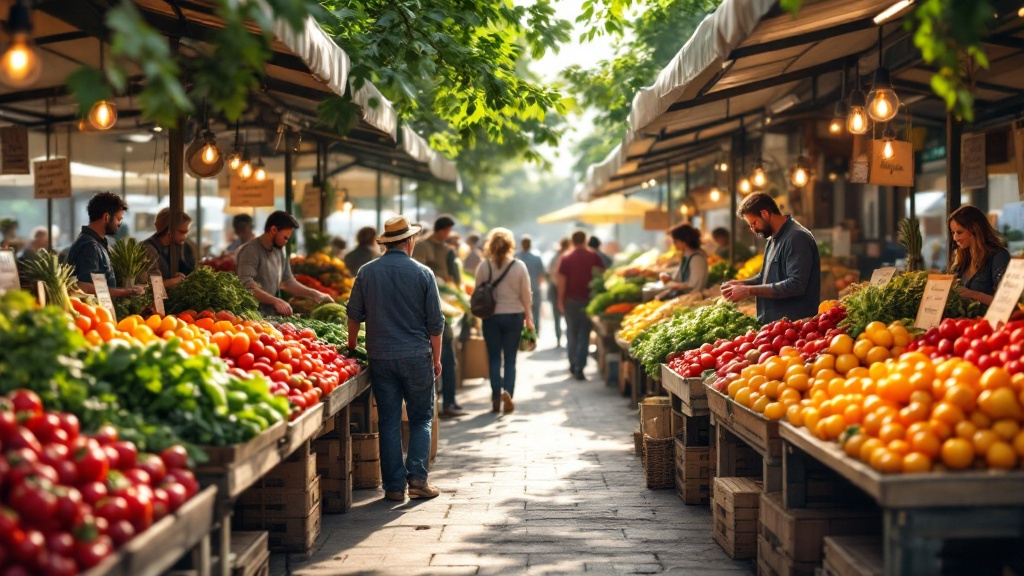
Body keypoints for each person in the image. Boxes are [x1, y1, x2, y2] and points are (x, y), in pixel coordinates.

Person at [346, 216, 444, 501]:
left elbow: (353, 315)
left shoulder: (366, 272)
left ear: (387, 244)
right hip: (416, 356)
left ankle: (392, 487)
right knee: (421, 418)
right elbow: (435, 324)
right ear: (410, 241)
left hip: (381, 357)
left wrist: (353, 347)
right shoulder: (423, 273)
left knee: (388, 421)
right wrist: (436, 359)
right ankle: (417, 480)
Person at [721, 193, 820, 323]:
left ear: (765, 214)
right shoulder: (772, 239)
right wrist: (742, 284)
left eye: (754, 223)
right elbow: (765, 277)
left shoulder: (797, 238)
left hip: (794, 327)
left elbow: (796, 284)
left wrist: (748, 291)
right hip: (774, 326)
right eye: (750, 226)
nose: (753, 229)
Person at [476, 228, 534, 414]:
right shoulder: (519, 267)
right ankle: (508, 392)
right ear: (510, 245)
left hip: (491, 317)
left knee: (494, 358)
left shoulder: (484, 266)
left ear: (490, 245)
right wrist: (530, 319)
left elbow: (478, 293)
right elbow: (526, 296)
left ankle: (495, 396)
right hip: (514, 316)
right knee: (510, 359)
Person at [236, 210, 334, 316]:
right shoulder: (250, 251)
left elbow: (288, 282)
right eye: (285, 237)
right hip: (250, 316)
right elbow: (246, 285)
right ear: (274, 230)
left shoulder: (279, 251)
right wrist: (275, 301)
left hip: (269, 316)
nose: (286, 242)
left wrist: (315, 294)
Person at [412, 215, 463, 417]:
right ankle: (437, 404)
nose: (449, 235)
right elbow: (421, 276)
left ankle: (449, 401)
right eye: (447, 230)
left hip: (444, 305)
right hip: (427, 308)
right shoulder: (423, 247)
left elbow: (451, 276)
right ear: (441, 230)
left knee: (448, 357)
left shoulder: (447, 250)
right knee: (438, 356)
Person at [67, 192, 143, 297]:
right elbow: (86, 288)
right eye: (118, 219)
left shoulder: (97, 243)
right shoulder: (89, 246)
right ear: (106, 217)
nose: (119, 224)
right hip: (93, 312)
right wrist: (128, 292)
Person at [558, 230, 607, 380]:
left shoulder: (566, 258)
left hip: (570, 302)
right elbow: (602, 277)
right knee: (584, 336)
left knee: (572, 335)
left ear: (572, 241)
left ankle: (573, 365)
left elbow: (561, 281)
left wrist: (560, 300)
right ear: (585, 240)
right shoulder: (594, 256)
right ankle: (580, 367)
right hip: (589, 301)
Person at [947, 205, 1011, 306]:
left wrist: (974, 294)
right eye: (953, 232)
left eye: (959, 232)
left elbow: (1006, 302)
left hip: (987, 320)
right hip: (962, 321)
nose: (955, 238)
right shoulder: (961, 257)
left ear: (974, 230)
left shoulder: (999, 256)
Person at [142, 208, 197, 289]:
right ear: (169, 230)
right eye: (182, 232)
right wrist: (172, 282)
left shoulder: (173, 247)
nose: (185, 236)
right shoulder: (148, 249)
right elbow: (148, 286)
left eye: (186, 232)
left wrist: (174, 277)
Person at [658, 223, 708, 299]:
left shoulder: (697, 259)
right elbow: (678, 276)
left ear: (684, 242)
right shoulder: (686, 256)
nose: (674, 244)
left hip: (692, 300)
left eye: (675, 241)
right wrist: (667, 277)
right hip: (684, 298)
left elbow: (693, 285)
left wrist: (673, 284)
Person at [515, 235, 545, 335]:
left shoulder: (516, 258)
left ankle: (522, 333)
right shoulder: (537, 258)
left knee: (521, 313)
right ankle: (535, 333)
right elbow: (541, 276)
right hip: (535, 287)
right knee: (535, 313)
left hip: (518, 290)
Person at [547, 237, 570, 347]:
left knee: (557, 317)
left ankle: (558, 339)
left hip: (555, 290)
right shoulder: (567, 257)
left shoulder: (555, 257)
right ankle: (568, 340)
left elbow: (550, 274)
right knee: (568, 318)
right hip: (566, 291)